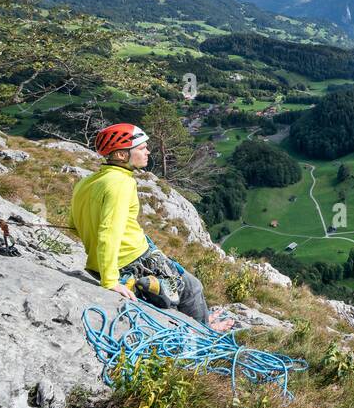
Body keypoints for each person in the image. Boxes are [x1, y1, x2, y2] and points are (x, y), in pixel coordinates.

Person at [71, 122, 233, 332]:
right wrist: (110, 281)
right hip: (134, 259)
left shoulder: (86, 182)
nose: (148, 151)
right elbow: (109, 233)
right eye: (141, 148)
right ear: (121, 155)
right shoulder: (122, 184)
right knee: (192, 288)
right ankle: (205, 329)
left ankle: (174, 303)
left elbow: (74, 225)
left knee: (180, 287)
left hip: (99, 263)